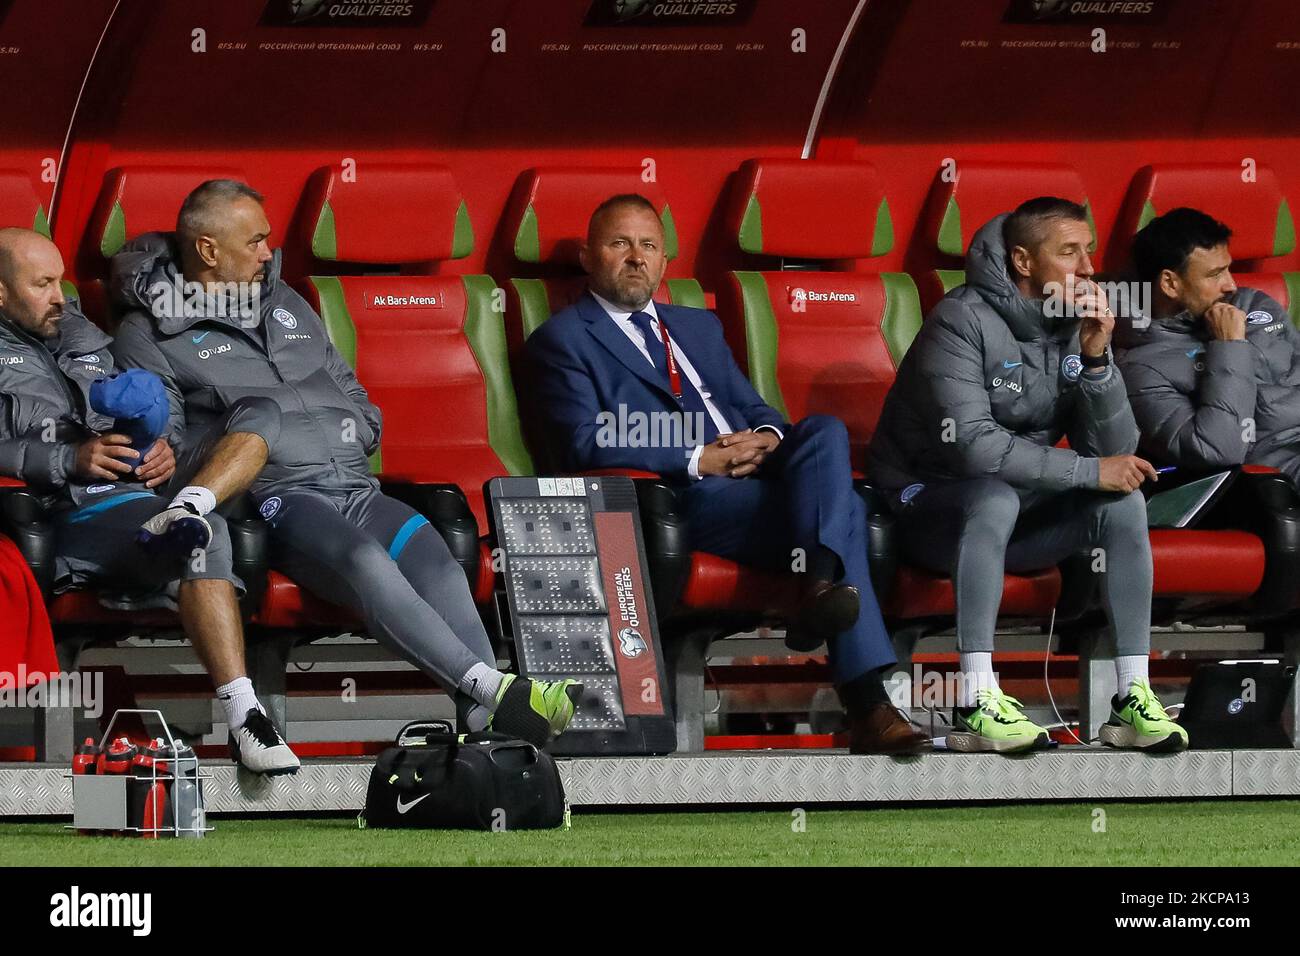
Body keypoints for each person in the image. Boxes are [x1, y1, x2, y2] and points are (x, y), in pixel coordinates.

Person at [109, 180, 581, 749]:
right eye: (255, 241)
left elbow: (350, 390)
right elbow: (177, 452)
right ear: (208, 250)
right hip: (283, 499)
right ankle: (495, 690)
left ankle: (484, 728)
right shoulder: (148, 331)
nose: (268, 253)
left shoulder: (287, 304)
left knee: (437, 558)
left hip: (355, 485)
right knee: (365, 560)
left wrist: (361, 427)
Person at [525, 193, 928, 754]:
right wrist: (697, 457)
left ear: (666, 259)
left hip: (764, 470)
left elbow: (757, 410)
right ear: (589, 257)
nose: (636, 258)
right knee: (850, 513)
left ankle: (820, 584)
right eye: (620, 244)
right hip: (690, 494)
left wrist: (767, 438)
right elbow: (586, 438)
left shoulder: (698, 328)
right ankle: (867, 698)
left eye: (648, 245)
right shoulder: (564, 339)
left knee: (824, 431)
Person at [867, 197, 1188, 753]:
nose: (1088, 266)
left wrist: (1096, 360)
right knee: (992, 495)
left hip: (1018, 512)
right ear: (1022, 260)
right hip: (926, 511)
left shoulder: (1075, 323)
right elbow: (973, 449)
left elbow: (1116, 455)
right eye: (1069, 252)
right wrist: (1090, 470)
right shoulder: (960, 319)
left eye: (1088, 249)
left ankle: (1133, 696)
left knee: (1122, 505)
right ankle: (975, 695)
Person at [0, 227, 299, 774]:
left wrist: (162, 447)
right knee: (204, 538)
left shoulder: (78, 331)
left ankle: (184, 507)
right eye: (42, 284)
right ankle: (245, 714)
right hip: (64, 510)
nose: (59, 297)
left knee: (257, 419)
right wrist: (68, 459)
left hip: (140, 489)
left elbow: (138, 404)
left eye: (62, 280)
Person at [1115, 207, 1300, 483]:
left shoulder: (1253, 304)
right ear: (1170, 283)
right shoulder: (1140, 367)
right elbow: (1218, 449)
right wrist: (1229, 347)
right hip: (1269, 475)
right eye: (1215, 274)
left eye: (1229, 269)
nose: (1231, 284)